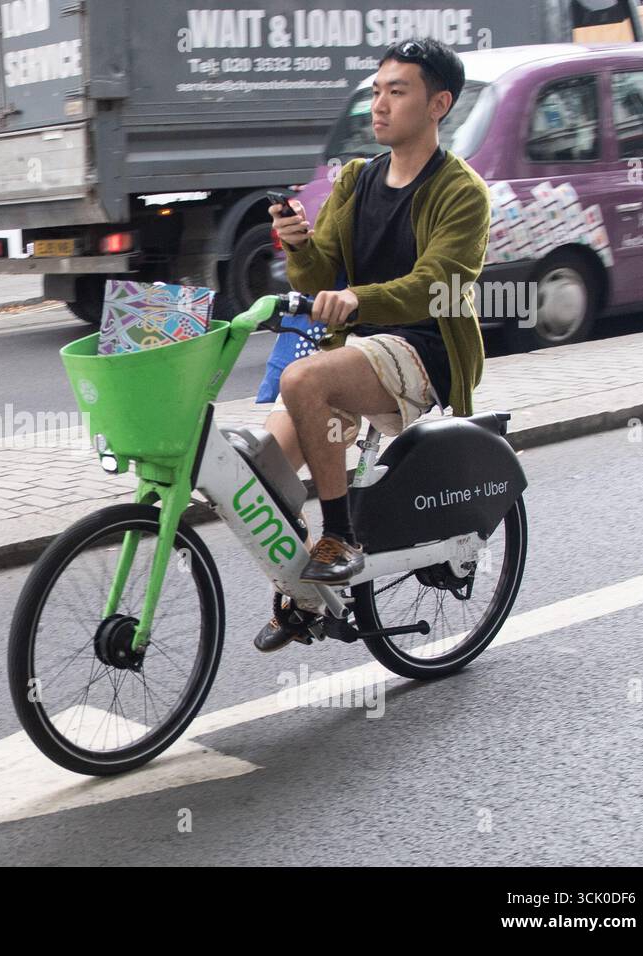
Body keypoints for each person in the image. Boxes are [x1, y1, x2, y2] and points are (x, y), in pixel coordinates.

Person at [255, 37, 490, 652]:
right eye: (377, 91)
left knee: (303, 379)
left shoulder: (461, 191)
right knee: (259, 473)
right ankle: (307, 597)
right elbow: (315, 276)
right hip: (357, 353)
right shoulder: (357, 180)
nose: (379, 105)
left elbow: (438, 285)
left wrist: (359, 299)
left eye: (398, 91)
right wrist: (298, 243)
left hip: (424, 349)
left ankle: (340, 537)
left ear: (438, 104)